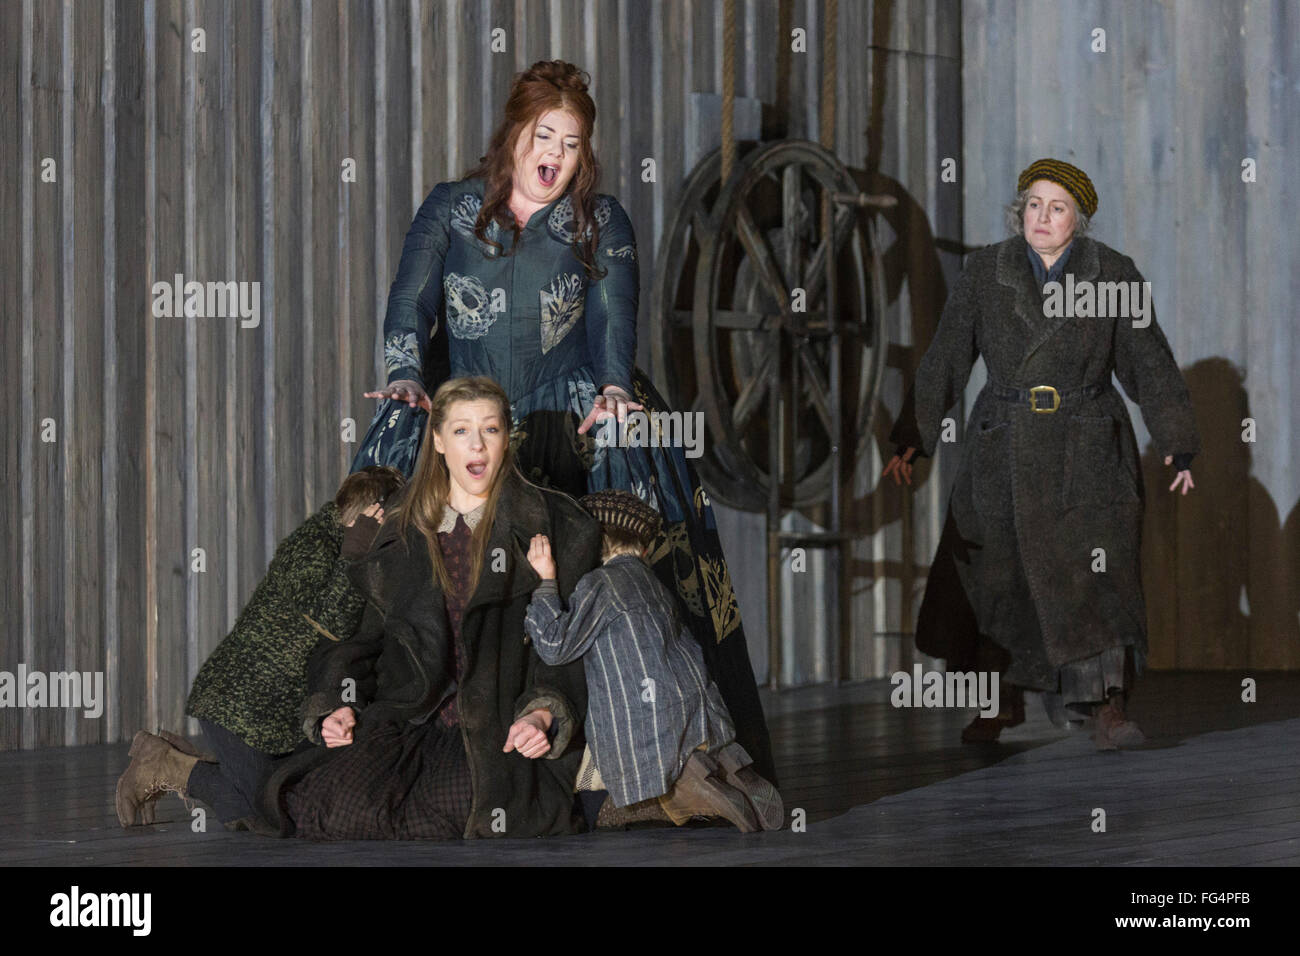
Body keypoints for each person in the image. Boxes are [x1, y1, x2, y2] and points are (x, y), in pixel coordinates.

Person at [349, 59, 775, 783]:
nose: (555, 154)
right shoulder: (449, 208)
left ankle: (645, 754)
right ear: (515, 133)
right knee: (384, 514)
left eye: (572, 143)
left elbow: (615, 321)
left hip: (567, 401)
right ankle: (383, 726)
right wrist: (402, 375)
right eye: (544, 134)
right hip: (466, 408)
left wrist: (613, 387)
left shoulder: (600, 221)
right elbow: (409, 302)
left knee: (625, 526)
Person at [883, 158, 1199, 750]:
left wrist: (1177, 443)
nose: (1042, 218)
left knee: (1098, 580)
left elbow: (1150, 365)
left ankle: (1106, 707)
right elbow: (948, 355)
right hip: (1002, 445)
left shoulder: (1114, 276)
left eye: (1057, 208)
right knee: (994, 580)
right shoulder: (984, 273)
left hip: (1088, 450)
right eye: (1033, 205)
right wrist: (913, 437)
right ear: (1019, 212)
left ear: (1078, 219)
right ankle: (994, 705)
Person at [257, 377, 602, 840]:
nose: (477, 445)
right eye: (461, 431)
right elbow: (361, 639)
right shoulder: (400, 525)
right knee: (332, 808)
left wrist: (544, 712)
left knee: (466, 810)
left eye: (490, 429)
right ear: (438, 440)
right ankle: (189, 773)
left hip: (498, 721)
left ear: (506, 436)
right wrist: (338, 703)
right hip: (409, 715)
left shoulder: (557, 524)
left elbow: (569, 647)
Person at [114, 466, 404, 829]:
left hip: (282, 716)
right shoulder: (312, 546)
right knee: (264, 813)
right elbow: (331, 623)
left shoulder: (343, 544)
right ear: (368, 515)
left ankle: (199, 763)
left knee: (286, 799)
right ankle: (165, 763)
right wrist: (358, 552)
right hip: (238, 706)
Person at [523, 489, 783, 832]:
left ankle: (691, 798)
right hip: (700, 716)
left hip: (649, 730)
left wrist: (546, 581)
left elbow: (555, 645)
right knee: (689, 757)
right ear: (642, 546)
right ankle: (730, 768)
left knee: (587, 804)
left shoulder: (601, 584)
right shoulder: (652, 581)